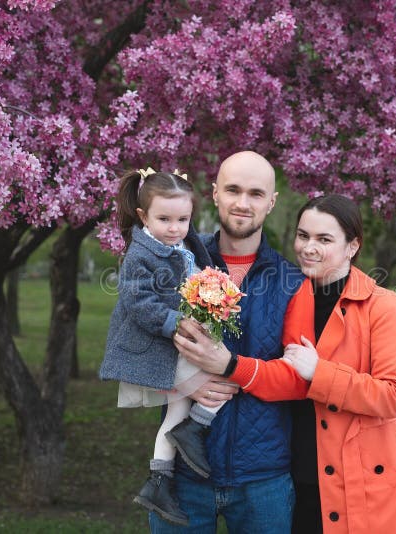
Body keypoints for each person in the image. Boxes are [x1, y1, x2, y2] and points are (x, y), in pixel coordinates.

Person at [177, 194, 396, 533]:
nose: (309, 247)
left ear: (352, 246)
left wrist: (319, 372)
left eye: (324, 239)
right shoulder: (283, 291)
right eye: (303, 235)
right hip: (288, 473)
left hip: (355, 477)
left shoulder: (382, 307)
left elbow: (395, 395)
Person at [156, 151, 304, 533]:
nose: (243, 203)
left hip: (262, 477)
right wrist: (186, 382)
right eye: (233, 190)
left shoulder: (294, 284)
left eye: (256, 194)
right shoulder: (176, 262)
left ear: (271, 203)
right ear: (215, 192)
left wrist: (231, 369)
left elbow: (300, 381)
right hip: (182, 473)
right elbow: (135, 347)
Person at [99, 169, 222, 526]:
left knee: (177, 411)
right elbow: (139, 303)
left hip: (184, 341)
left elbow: (200, 268)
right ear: (143, 217)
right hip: (165, 343)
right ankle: (193, 432)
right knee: (219, 386)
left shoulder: (183, 242)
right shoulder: (140, 254)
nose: (174, 227)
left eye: (183, 219)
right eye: (164, 219)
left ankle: (159, 480)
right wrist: (176, 322)